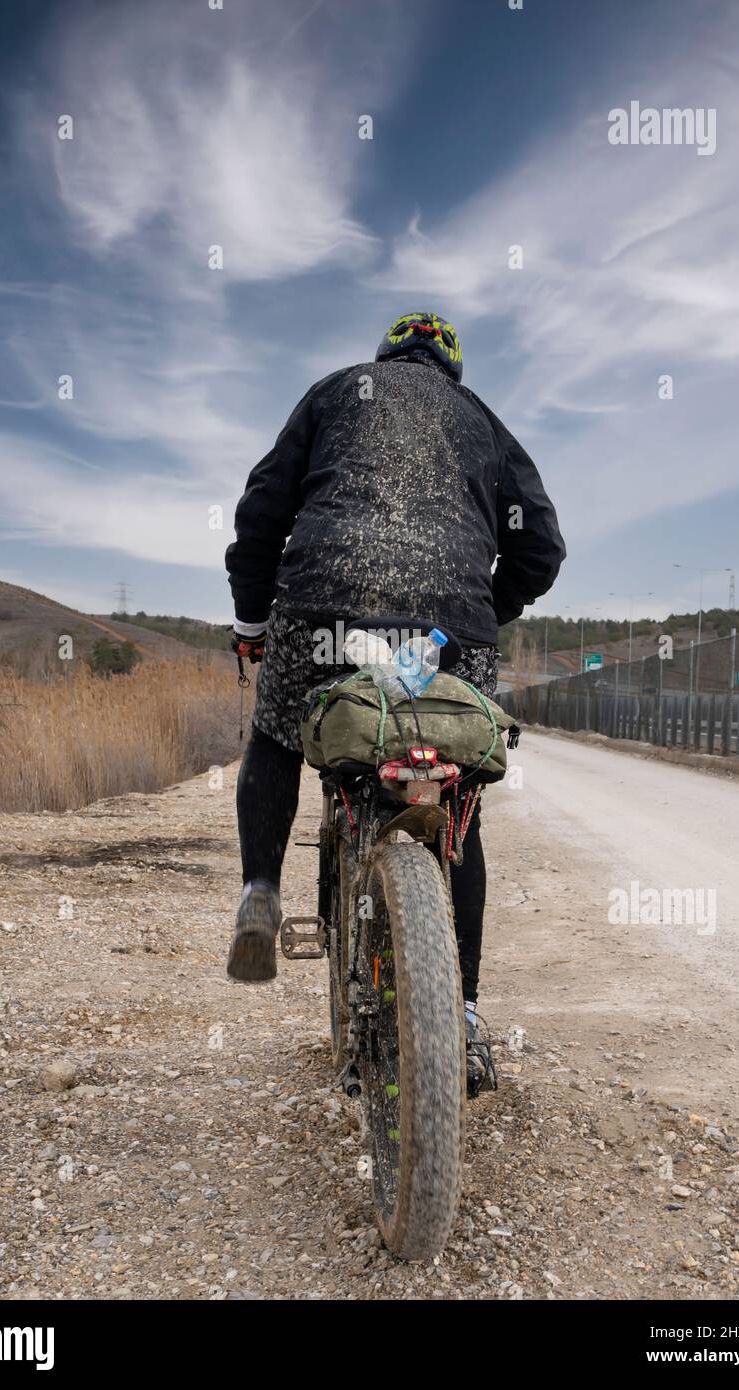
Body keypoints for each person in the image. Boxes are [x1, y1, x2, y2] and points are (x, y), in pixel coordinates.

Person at [224, 310, 565, 1086]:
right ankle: (466, 1015)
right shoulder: (483, 423)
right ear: (453, 369)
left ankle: (259, 893)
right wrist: (477, 616)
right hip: (449, 634)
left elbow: (262, 513)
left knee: (278, 737)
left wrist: (253, 621)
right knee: (459, 804)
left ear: (386, 355)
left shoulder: (336, 393)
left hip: (321, 612)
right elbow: (541, 547)